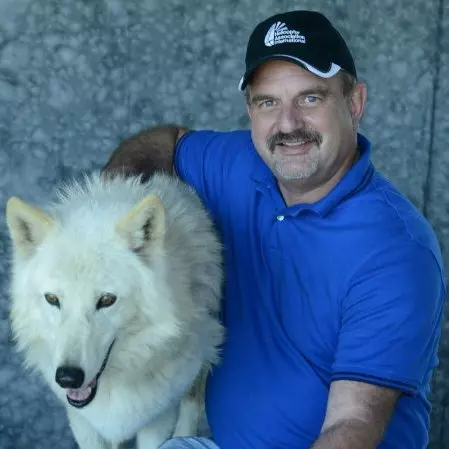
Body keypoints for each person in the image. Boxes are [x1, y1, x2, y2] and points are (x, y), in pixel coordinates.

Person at [102, 9, 446, 449]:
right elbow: (166, 143)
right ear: (251, 110)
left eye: (310, 98)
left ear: (354, 103)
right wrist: (111, 197)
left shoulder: (396, 250)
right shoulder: (239, 163)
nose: (287, 124)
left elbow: (352, 427)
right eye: (269, 102)